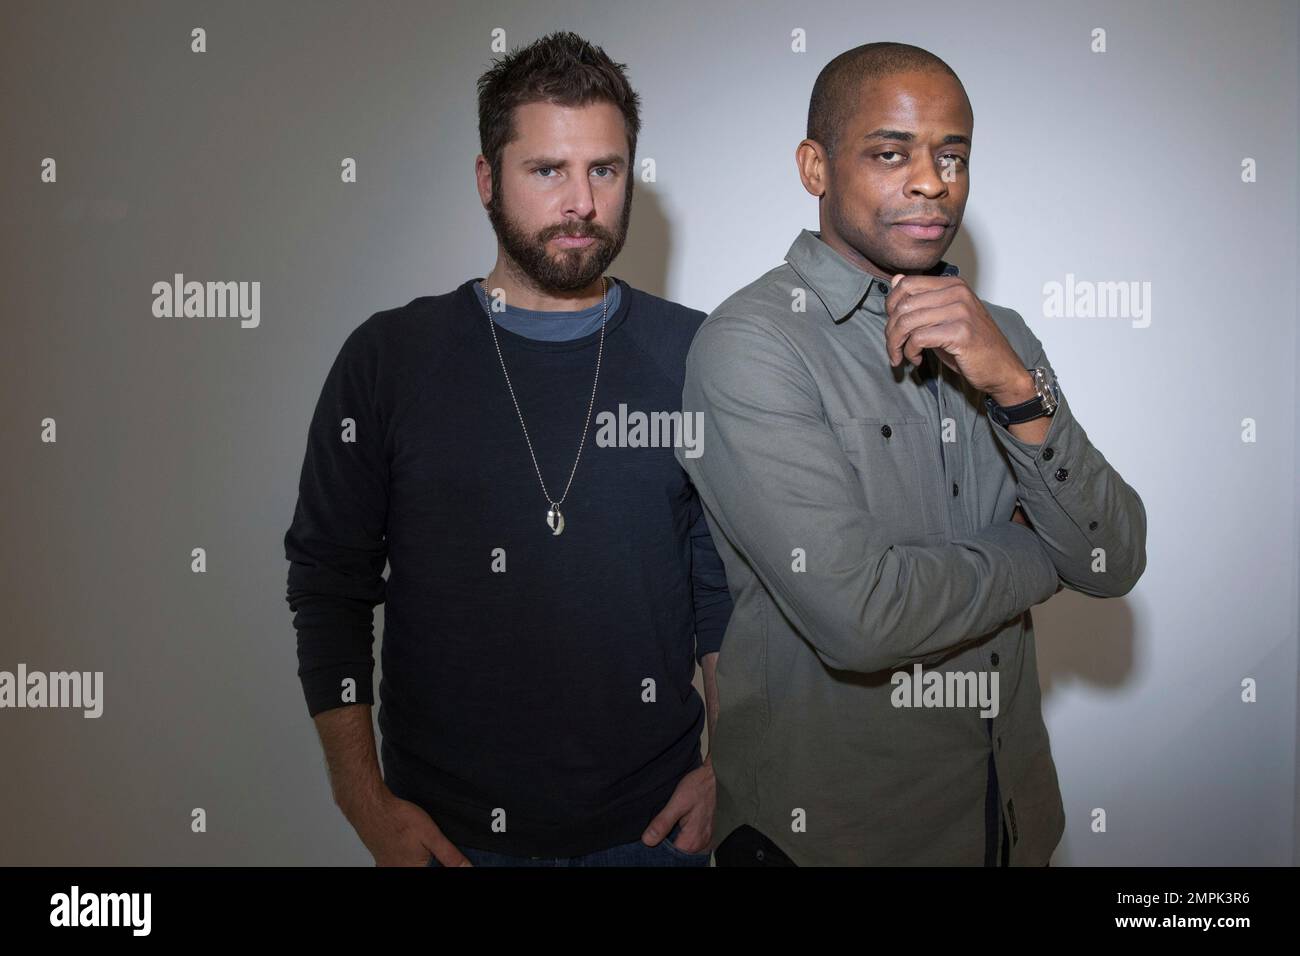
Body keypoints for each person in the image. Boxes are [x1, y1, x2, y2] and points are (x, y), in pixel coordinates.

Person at [677, 42, 1147, 866]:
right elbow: (863, 620)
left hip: (1010, 818)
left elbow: (1111, 559)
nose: (932, 180)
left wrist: (1012, 382)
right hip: (837, 835)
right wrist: (1041, 556)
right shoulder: (751, 346)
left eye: (952, 155)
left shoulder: (1002, 335)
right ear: (814, 167)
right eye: (891, 153)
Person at [284, 31, 731, 867]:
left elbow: (725, 589)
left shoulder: (696, 354)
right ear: (488, 180)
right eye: (547, 171)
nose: (581, 203)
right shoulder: (388, 360)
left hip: (652, 835)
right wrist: (362, 799)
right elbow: (328, 586)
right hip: (447, 839)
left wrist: (730, 769)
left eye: (605, 169)